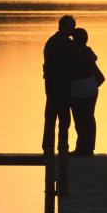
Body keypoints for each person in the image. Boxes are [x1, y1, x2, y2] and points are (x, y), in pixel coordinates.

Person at [42, 14, 76, 155]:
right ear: (66, 27)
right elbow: (73, 61)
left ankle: (48, 148)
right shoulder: (66, 44)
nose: (73, 30)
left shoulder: (51, 41)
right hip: (61, 86)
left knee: (51, 118)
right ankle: (62, 148)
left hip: (52, 86)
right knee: (63, 119)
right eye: (72, 27)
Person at [69, 27, 105, 156]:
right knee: (89, 118)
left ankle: (81, 148)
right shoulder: (88, 51)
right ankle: (88, 148)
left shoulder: (73, 53)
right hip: (91, 87)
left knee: (79, 120)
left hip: (79, 89)